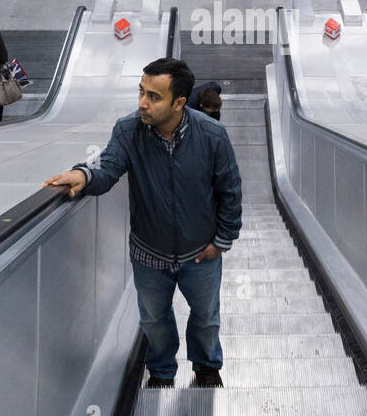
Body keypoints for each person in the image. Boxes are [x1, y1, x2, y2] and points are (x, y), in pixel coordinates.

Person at [42, 58, 242, 389]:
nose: (142, 103)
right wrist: (83, 174)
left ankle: (206, 366)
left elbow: (229, 191)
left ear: (179, 102)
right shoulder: (128, 130)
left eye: (153, 96)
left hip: (199, 253)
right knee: (154, 320)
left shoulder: (212, 134)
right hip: (150, 254)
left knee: (206, 319)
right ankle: (162, 371)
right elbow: (108, 168)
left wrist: (220, 242)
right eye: (141, 92)